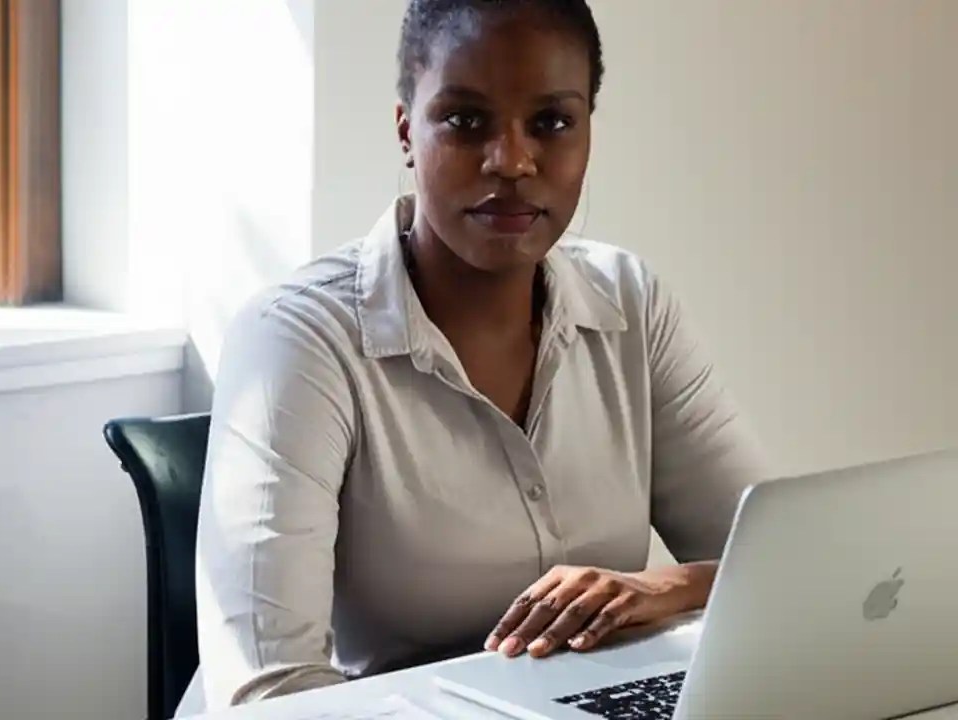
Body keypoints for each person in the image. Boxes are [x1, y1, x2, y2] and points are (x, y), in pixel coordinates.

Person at [194, 0, 766, 709]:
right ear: (407, 131)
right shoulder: (301, 339)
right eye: (466, 121)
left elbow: (782, 569)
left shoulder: (631, 304)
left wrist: (660, 587)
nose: (513, 161)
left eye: (552, 122)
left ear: (589, 128)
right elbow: (267, 695)